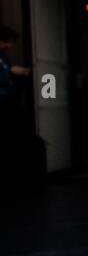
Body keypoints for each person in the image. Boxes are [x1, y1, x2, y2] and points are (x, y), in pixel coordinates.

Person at [0, 25, 32, 163]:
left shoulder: (3, 57)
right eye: (7, 41)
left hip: (8, 101)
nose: (9, 45)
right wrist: (11, 72)